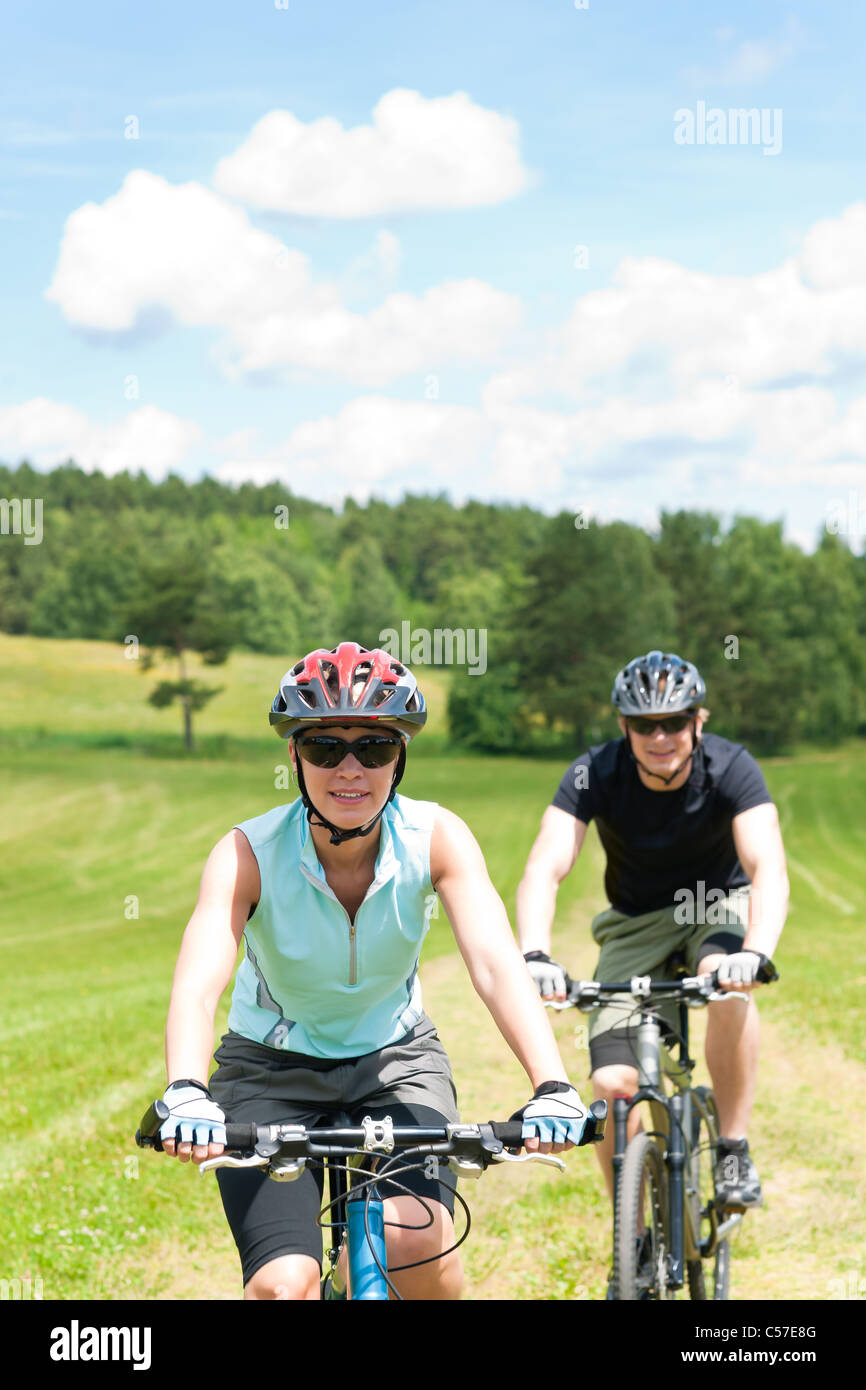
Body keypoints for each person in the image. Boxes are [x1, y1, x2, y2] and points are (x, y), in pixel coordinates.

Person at [157, 642, 589, 1300]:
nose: (350, 769)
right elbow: (199, 981)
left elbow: (498, 965)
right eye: (326, 749)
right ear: (295, 758)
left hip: (396, 1062)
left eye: (374, 748)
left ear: (400, 758)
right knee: (282, 1287)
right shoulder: (248, 851)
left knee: (416, 1244)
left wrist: (552, 1082)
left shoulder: (437, 838)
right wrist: (186, 1088)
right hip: (269, 1072)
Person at [516, 650, 788, 1216]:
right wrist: (535, 954)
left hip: (714, 909)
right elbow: (546, 864)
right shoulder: (595, 771)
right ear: (624, 727)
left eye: (673, 721)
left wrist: (756, 951)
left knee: (726, 985)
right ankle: (631, 1227)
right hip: (635, 923)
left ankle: (733, 1147)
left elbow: (767, 866)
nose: (658, 736)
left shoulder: (732, 767)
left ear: (698, 721)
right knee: (612, 1082)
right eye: (644, 724)